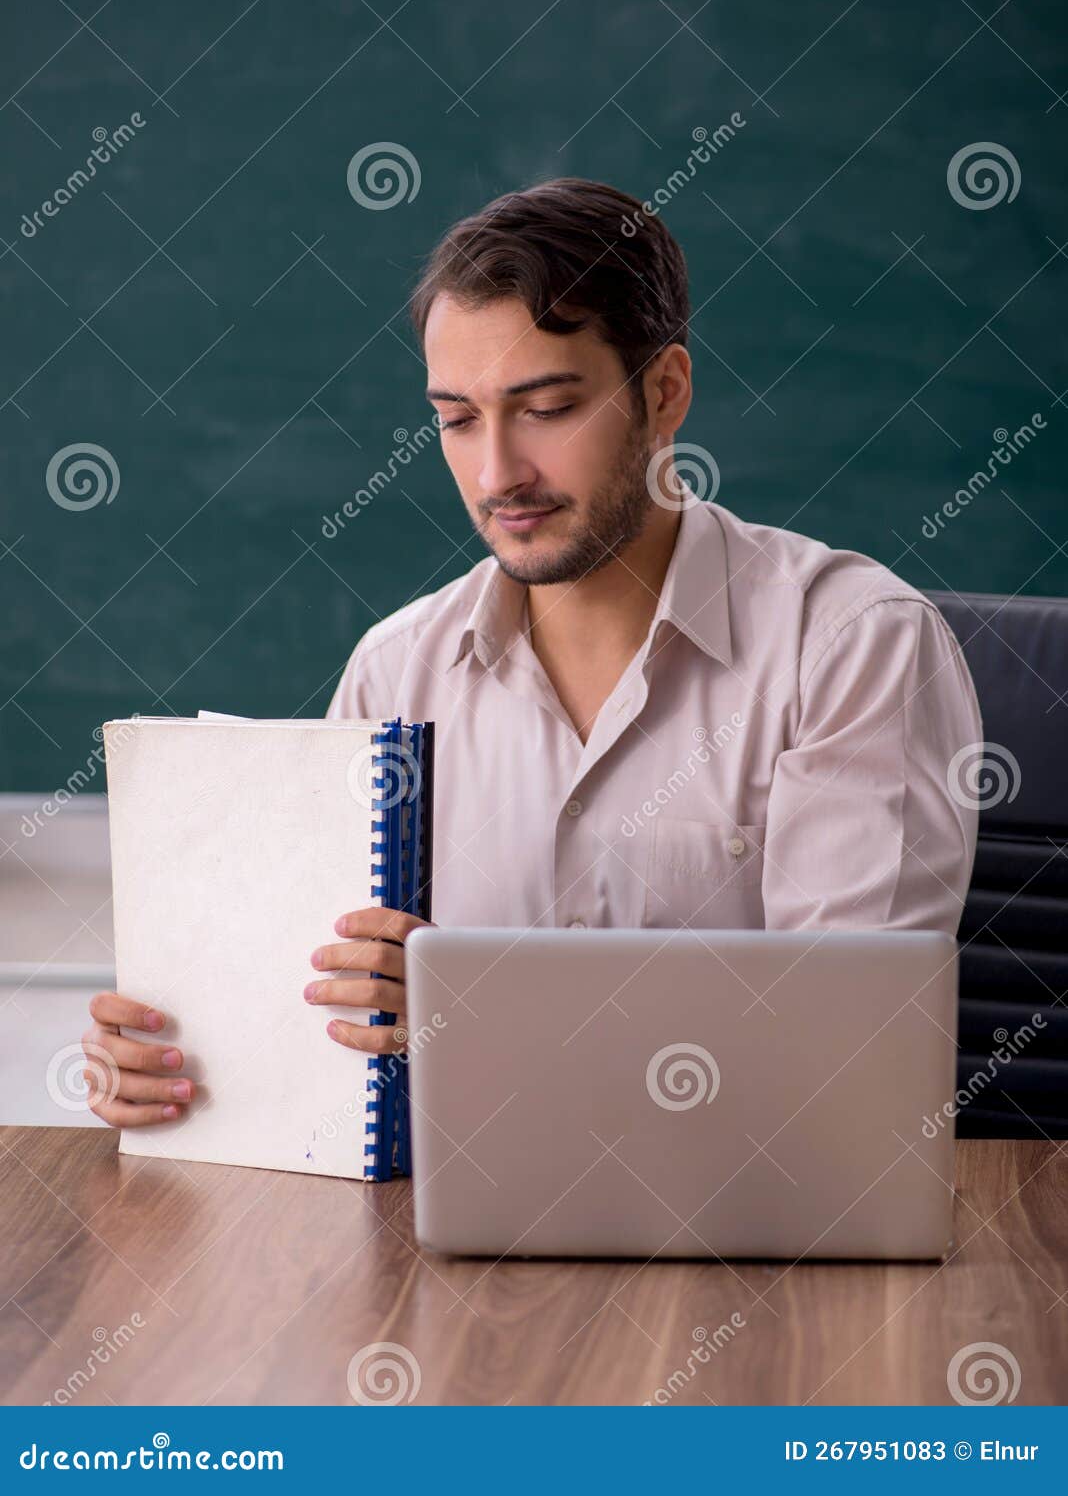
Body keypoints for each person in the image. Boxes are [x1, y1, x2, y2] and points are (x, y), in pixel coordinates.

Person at [83, 177, 983, 1129]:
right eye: (458, 419)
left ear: (665, 392)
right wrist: (179, 1063)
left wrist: (480, 1015)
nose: (496, 473)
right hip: (452, 1235)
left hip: (748, 1241)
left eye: (546, 408)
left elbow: (848, 1045)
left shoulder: (851, 646)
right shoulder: (396, 673)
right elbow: (331, 1035)